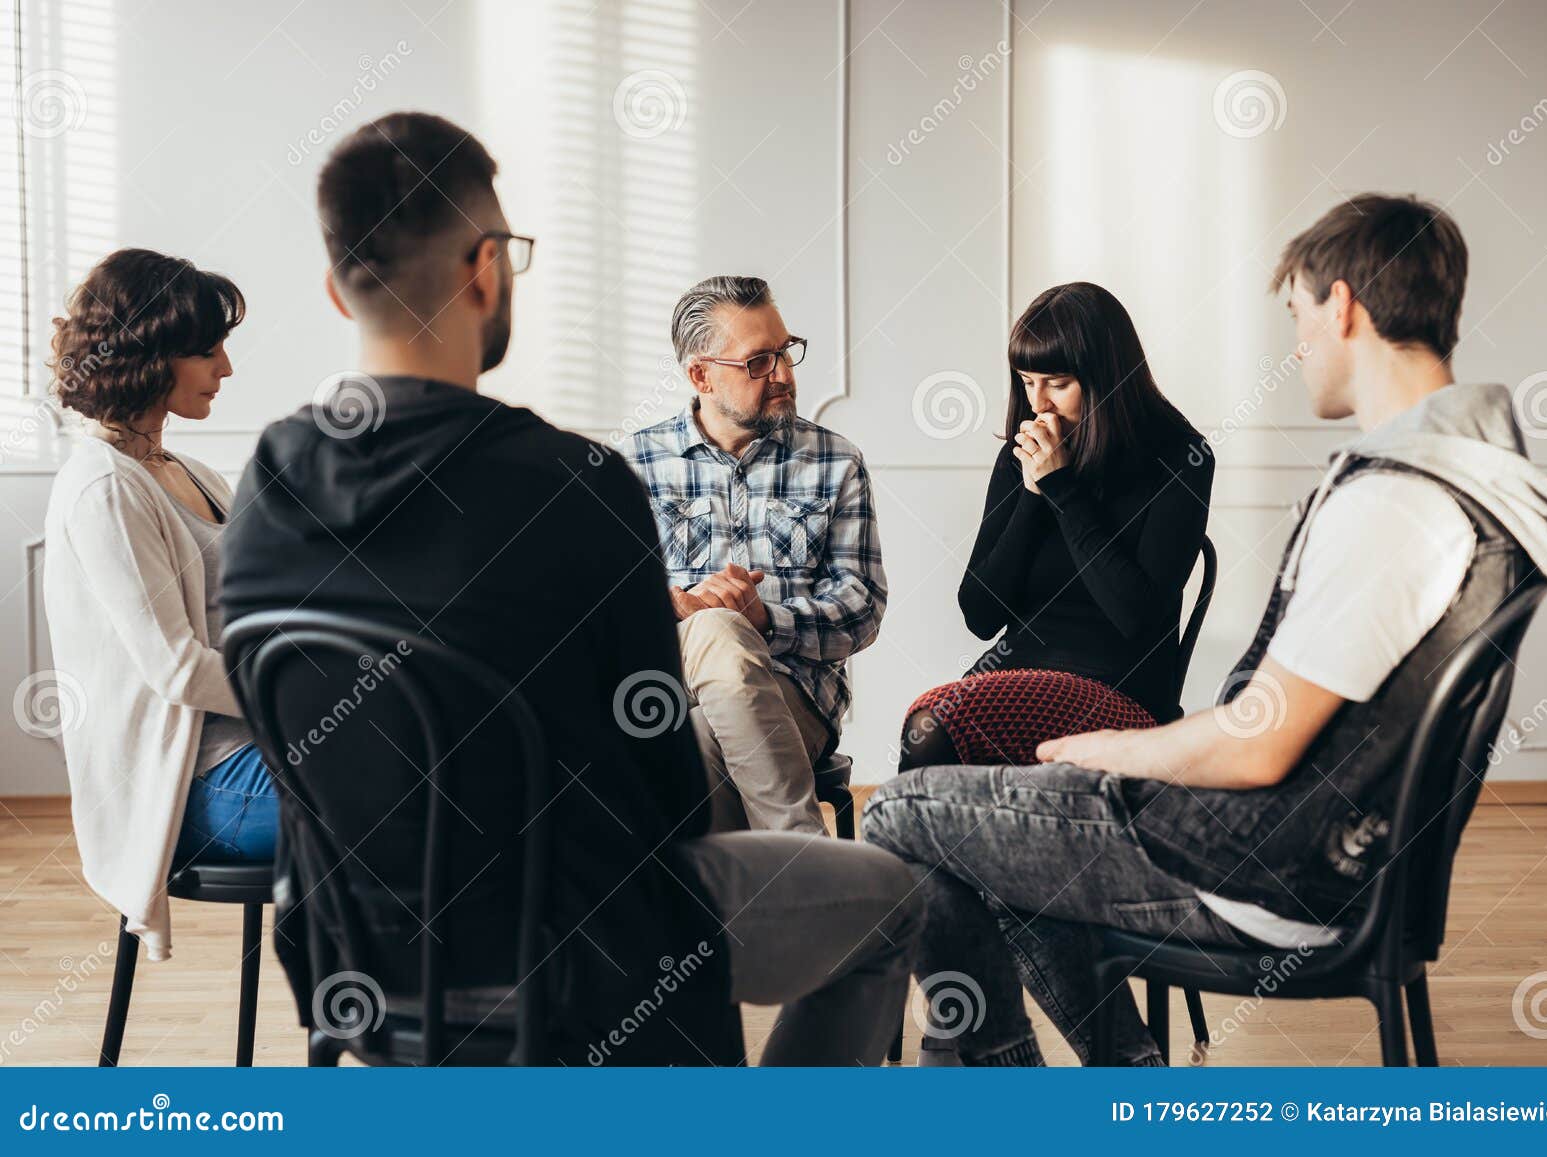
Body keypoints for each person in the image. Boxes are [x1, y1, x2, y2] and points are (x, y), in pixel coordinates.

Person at [220, 112, 921, 1066]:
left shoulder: (269, 486)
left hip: (366, 956)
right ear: (485, 267)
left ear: (341, 296)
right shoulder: (579, 484)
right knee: (893, 903)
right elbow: (667, 793)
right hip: (588, 954)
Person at [864, 193, 1547, 1066]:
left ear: (1342, 305)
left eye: (1299, 315)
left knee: (903, 812)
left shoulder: (1396, 502)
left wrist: (1108, 752)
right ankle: (1121, 1079)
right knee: (971, 833)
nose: (1299, 345)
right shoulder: (1472, 485)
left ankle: (1023, 1099)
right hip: (1307, 851)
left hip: (1256, 864)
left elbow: (1257, 748)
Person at [42, 249, 274, 962]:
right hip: (198, 788)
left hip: (249, 752)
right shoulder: (104, 486)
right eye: (207, 351)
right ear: (149, 355)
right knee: (418, 802)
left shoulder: (188, 472)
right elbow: (176, 668)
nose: (226, 369)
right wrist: (305, 692)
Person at [900, 282, 1212, 775]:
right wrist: (1032, 494)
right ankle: (942, 852)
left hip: (1119, 691)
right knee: (930, 730)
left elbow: (1137, 617)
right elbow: (980, 615)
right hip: (1017, 672)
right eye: (1026, 381)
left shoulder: (1181, 458)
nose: (1038, 404)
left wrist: (1064, 489)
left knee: (936, 727)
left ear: (1107, 376)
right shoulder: (1021, 458)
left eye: (1057, 383)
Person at [621, 276, 887, 835]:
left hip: (797, 688)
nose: (785, 375)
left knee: (699, 747)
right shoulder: (635, 464)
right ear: (700, 374)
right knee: (714, 629)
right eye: (759, 361)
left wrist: (764, 619)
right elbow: (599, 608)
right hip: (670, 683)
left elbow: (861, 608)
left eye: (787, 352)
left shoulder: (835, 462)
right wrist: (679, 605)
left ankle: (706, 917)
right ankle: (808, 874)